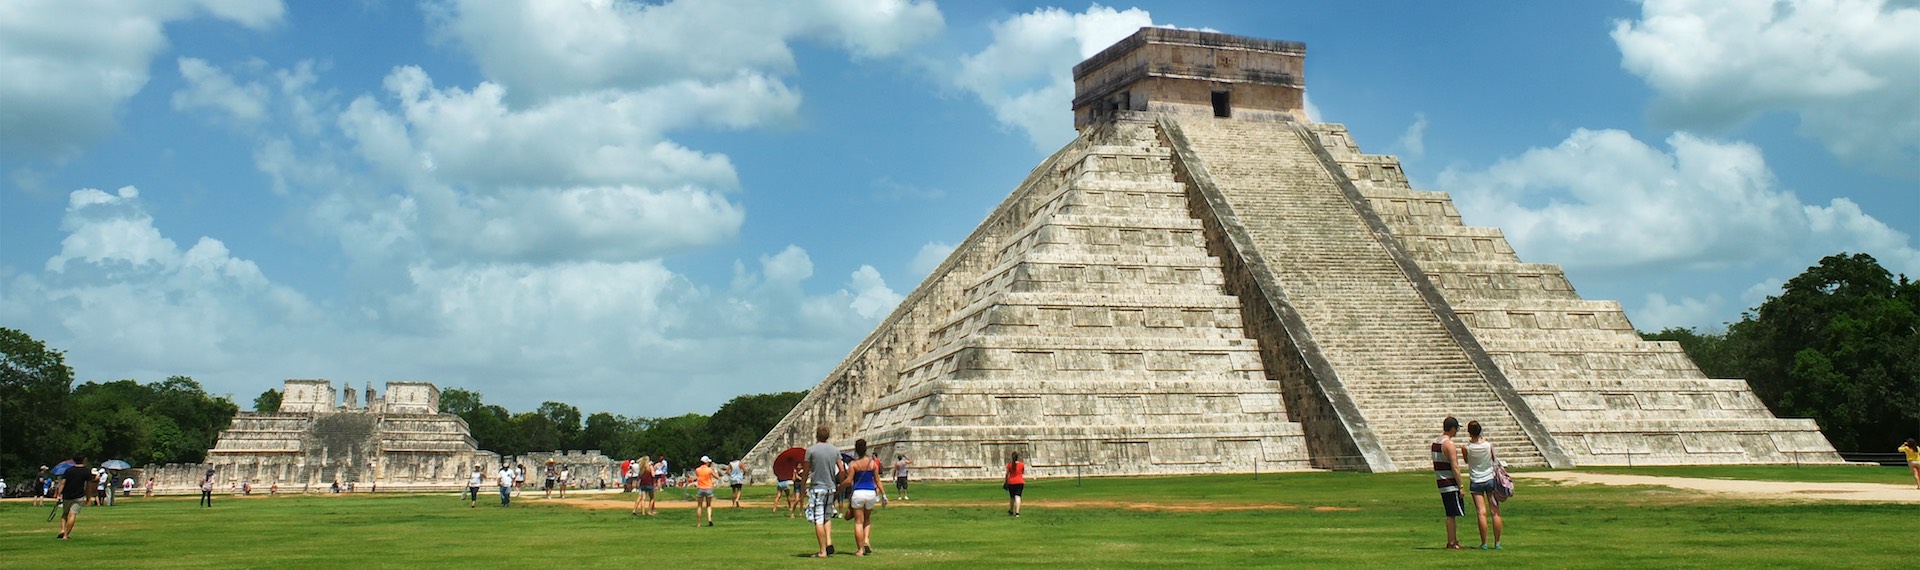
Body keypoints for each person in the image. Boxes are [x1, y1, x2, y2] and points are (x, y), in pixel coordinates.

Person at [804, 424, 846, 558]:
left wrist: (803, 485)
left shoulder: (811, 450)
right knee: (827, 517)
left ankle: (822, 551)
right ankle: (828, 542)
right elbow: (842, 469)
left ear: (817, 435)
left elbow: (805, 471)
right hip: (831, 487)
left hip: (817, 487)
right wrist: (841, 484)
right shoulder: (835, 450)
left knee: (818, 519)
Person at [1462, 420, 1504, 550]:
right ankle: (1497, 543)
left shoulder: (1466, 447)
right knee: (1495, 511)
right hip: (1489, 478)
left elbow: (1466, 460)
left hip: (1476, 480)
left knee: (1481, 512)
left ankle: (1484, 543)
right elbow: (1492, 459)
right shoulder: (1488, 445)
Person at [847, 439, 889, 556]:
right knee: (867, 519)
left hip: (858, 493)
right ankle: (866, 540)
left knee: (858, 522)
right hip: (871, 493)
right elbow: (877, 480)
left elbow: (849, 480)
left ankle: (860, 549)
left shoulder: (854, 464)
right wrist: (884, 494)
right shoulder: (872, 463)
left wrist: (840, 487)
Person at [1432, 416, 1466, 550]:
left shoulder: (1436, 442)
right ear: (1452, 428)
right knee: (1451, 513)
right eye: (1456, 428)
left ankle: (1453, 540)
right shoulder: (1449, 444)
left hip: (1441, 480)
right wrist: (1461, 485)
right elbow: (1455, 466)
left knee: (1450, 512)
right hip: (1449, 482)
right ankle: (1451, 541)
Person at [53, 455, 92, 540]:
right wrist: (88, 497)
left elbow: (62, 483)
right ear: (84, 460)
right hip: (79, 495)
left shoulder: (68, 470)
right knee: (72, 514)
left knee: (65, 513)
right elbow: (88, 486)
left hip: (67, 495)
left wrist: (58, 494)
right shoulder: (86, 471)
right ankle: (66, 535)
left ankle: (62, 530)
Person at [693, 456, 717, 527]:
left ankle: (698, 523)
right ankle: (709, 519)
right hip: (708, 487)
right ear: (706, 462)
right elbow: (717, 477)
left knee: (699, 506)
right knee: (708, 505)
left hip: (700, 488)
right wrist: (715, 471)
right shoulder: (709, 470)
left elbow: (698, 476)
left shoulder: (697, 469)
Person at [1004, 451, 1026, 517]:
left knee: (1012, 497)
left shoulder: (1009, 465)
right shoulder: (1022, 464)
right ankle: (1017, 512)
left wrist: (1006, 482)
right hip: (1020, 481)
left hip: (1012, 482)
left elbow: (1007, 474)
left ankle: (1011, 510)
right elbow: (1022, 472)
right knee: (1018, 496)